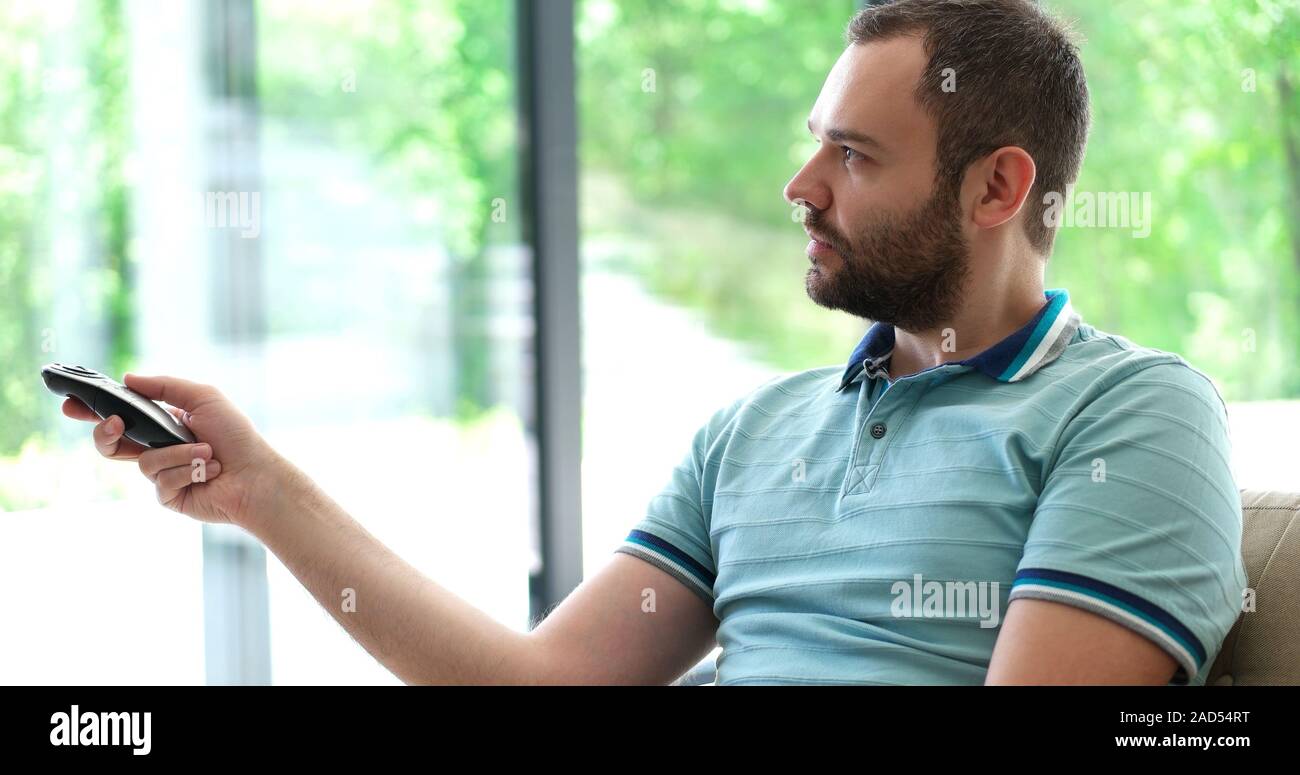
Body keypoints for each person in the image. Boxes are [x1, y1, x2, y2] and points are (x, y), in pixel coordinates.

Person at [66, 0, 1246, 685]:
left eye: (853, 156)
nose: (799, 187)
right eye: (812, 144)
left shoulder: (1132, 416)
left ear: (998, 188)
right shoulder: (752, 431)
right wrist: (265, 493)